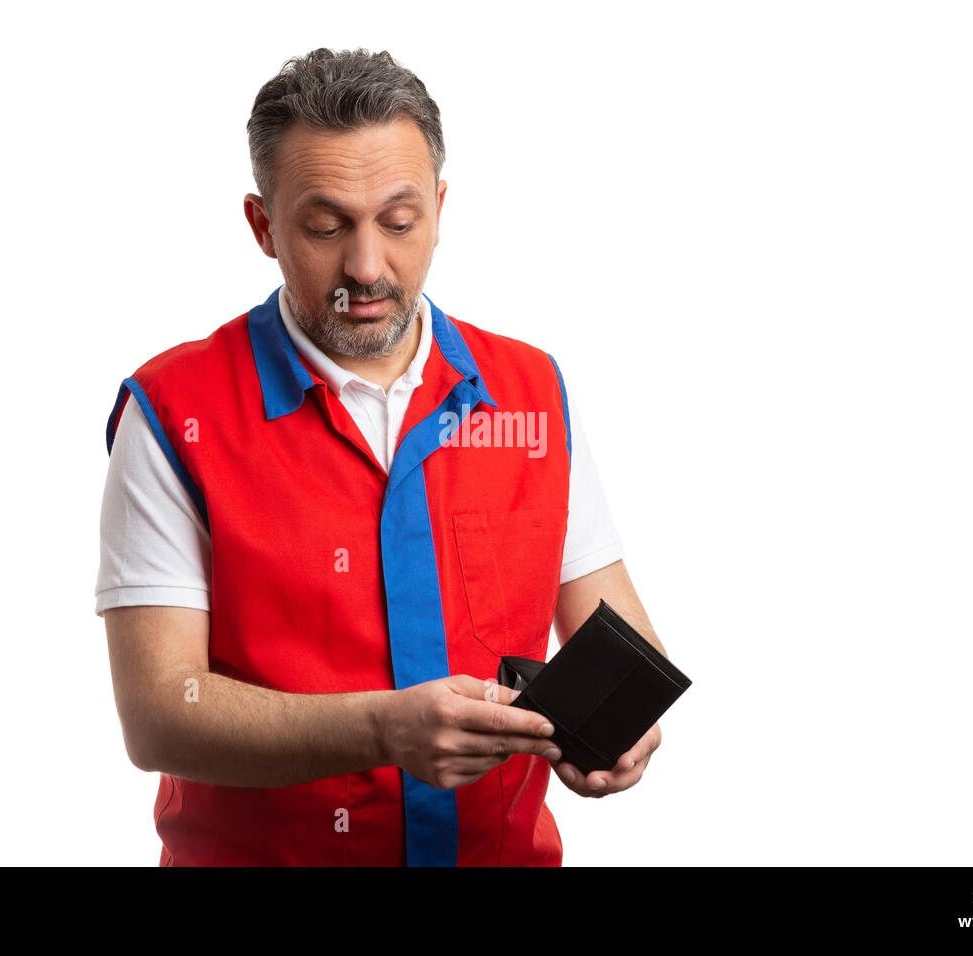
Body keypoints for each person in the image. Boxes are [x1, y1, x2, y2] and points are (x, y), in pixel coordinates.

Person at [95, 47, 667, 866]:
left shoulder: (529, 391)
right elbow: (157, 715)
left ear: (439, 207)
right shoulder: (173, 412)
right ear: (262, 226)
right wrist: (382, 731)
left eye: (399, 224)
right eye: (326, 227)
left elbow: (615, 639)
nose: (366, 268)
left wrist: (626, 726)